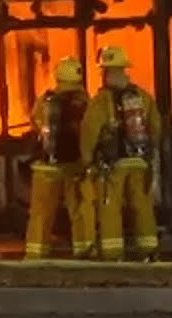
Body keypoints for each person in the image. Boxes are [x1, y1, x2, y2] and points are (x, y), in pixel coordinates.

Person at [80, 45, 162, 262]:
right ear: (125, 69)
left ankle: (112, 253)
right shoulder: (143, 97)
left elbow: (89, 132)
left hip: (112, 165)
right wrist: (149, 153)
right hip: (140, 160)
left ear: (106, 72)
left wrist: (88, 161)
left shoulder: (101, 101)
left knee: (110, 208)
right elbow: (156, 126)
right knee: (142, 206)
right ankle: (149, 251)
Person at [24, 57, 95, 260]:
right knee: (81, 211)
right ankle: (84, 250)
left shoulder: (45, 101)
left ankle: (36, 254)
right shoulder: (85, 101)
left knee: (41, 213)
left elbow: (35, 124)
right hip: (76, 166)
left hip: (47, 166)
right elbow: (91, 129)